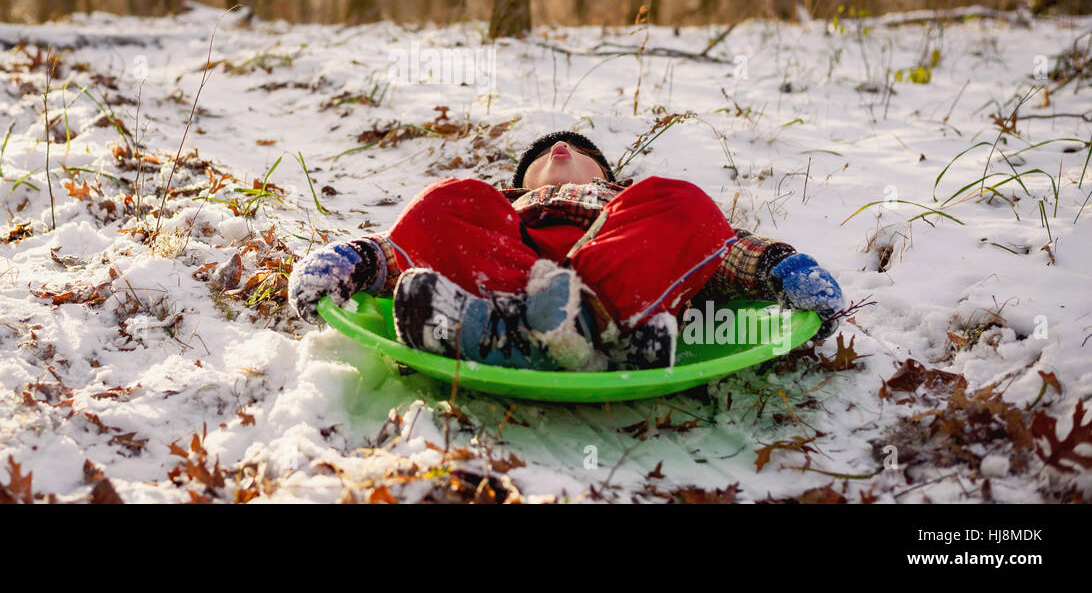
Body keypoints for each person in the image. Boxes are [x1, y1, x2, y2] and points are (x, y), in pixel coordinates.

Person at [287, 130, 845, 371]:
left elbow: (711, 246)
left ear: (605, 176)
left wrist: (777, 265)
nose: (561, 150)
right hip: (516, 267)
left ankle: (514, 330)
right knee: (452, 197)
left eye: (579, 152)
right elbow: (428, 232)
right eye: (546, 155)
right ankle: (574, 332)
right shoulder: (504, 205)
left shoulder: (630, 200)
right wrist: (361, 258)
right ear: (522, 181)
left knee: (679, 199)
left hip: (613, 269)